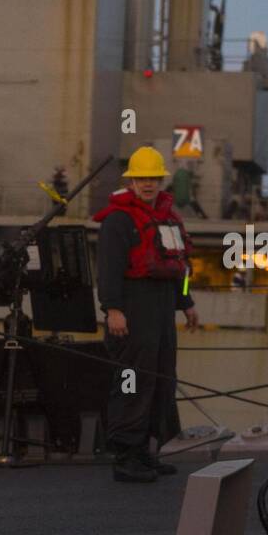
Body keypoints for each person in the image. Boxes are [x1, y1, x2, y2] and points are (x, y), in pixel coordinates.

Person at [93, 146, 199, 483]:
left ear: (161, 181)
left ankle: (145, 451)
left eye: (153, 178)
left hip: (162, 310)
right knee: (132, 382)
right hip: (133, 311)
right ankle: (125, 456)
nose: (148, 184)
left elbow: (179, 267)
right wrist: (113, 309)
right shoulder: (118, 221)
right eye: (142, 178)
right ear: (132, 181)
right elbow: (108, 269)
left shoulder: (168, 219)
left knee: (161, 380)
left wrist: (187, 302)